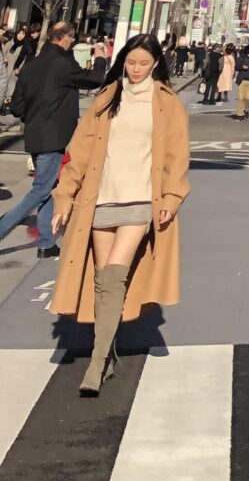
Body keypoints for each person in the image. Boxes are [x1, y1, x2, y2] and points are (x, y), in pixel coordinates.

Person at [50, 33, 189, 394]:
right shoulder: (108, 97)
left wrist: (171, 198)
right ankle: (108, 351)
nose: (137, 69)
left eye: (143, 63)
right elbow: (78, 152)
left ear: (156, 63)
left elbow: (176, 156)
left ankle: (96, 365)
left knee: (113, 276)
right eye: (131, 62)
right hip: (101, 200)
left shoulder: (167, 103)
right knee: (102, 280)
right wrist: (64, 196)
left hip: (141, 202)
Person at [0, 20, 107, 257]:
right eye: (72, 39)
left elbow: (17, 107)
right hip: (54, 137)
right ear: (66, 38)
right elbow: (95, 79)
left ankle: (46, 243)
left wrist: (35, 117)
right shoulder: (62, 65)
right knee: (41, 190)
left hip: (35, 135)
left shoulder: (31, 66)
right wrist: (100, 57)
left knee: (50, 188)